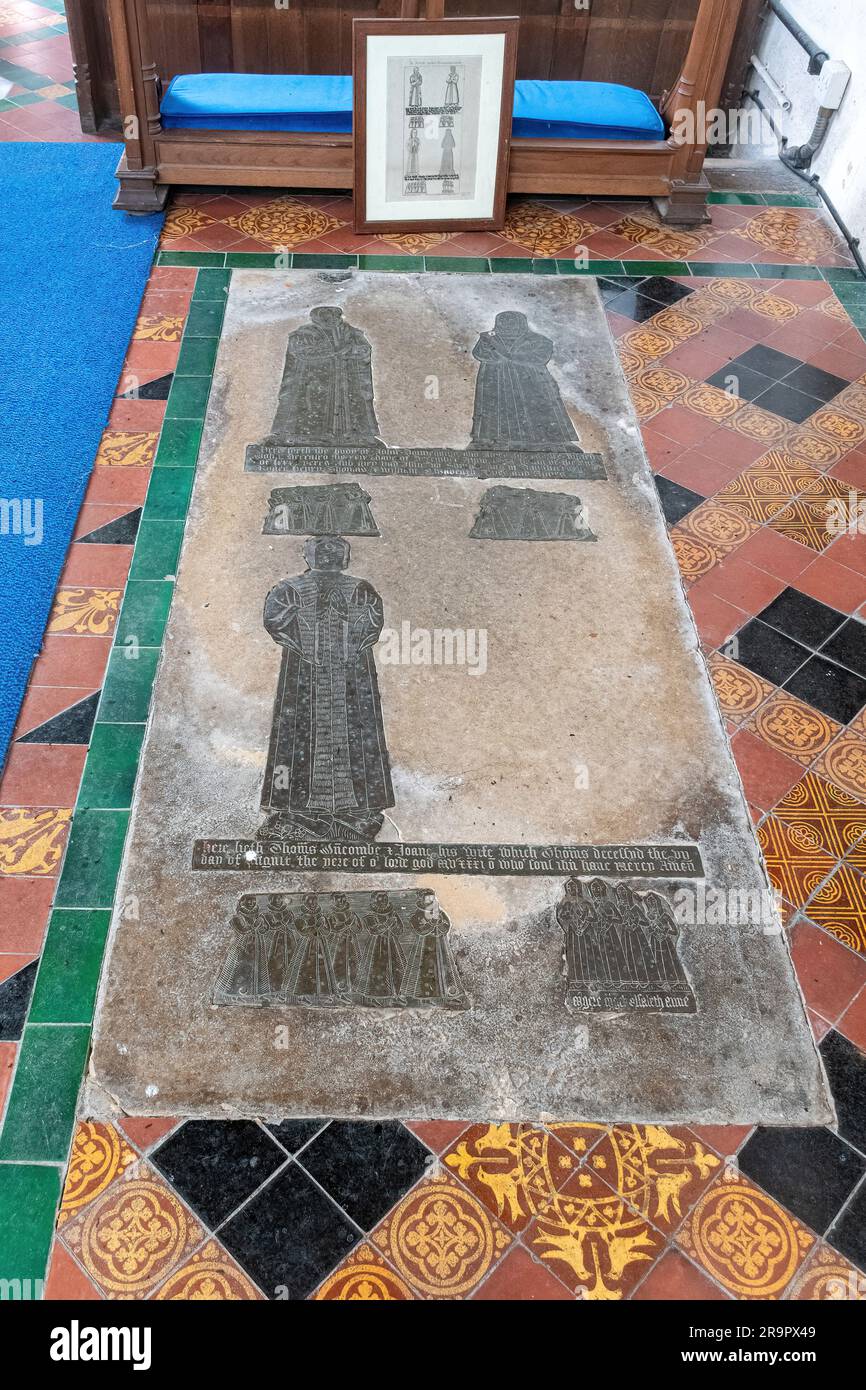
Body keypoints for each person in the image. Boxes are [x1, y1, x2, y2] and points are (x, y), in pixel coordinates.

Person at [259, 536, 394, 843]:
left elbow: (371, 626)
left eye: (334, 555)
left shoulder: (359, 589)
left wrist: (338, 643)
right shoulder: (290, 590)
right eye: (326, 555)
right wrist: (308, 643)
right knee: (299, 732)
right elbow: (275, 622)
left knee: (355, 731)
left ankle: (356, 812)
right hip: (309, 673)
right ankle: (297, 812)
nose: (330, 561)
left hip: (347, 676)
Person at [266, 306, 383, 447]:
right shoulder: (305, 333)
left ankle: (353, 437)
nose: (330, 318)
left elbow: (364, 349)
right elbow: (300, 352)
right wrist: (335, 352)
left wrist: (348, 351)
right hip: (313, 379)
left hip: (345, 378)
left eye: (333, 314)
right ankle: (303, 437)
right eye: (325, 315)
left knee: (352, 403)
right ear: (316, 316)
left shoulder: (350, 332)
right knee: (310, 405)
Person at [470, 311, 582, 450]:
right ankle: (492, 440)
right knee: (497, 408)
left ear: (520, 323)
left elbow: (541, 357)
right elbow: (479, 353)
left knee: (539, 407)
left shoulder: (538, 340)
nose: (507, 325)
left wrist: (513, 357)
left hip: (531, 381)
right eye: (504, 322)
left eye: (511, 322)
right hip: (497, 381)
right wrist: (494, 351)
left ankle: (550, 441)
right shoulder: (489, 338)